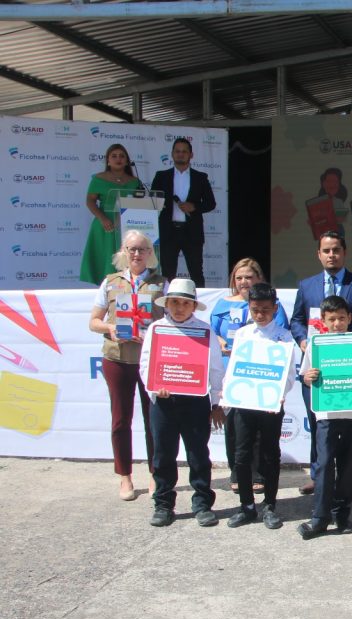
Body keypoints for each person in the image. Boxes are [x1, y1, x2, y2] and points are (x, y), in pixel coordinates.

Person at [291, 231, 352, 497]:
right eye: (326, 250)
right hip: (317, 366)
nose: (331, 255)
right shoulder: (306, 286)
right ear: (318, 254)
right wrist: (303, 342)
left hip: (349, 364)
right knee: (317, 419)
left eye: (336, 250)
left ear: (344, 252)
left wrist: (347, 334)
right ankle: (317, 474)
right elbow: (296, 321)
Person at [140, 278, 226, 527]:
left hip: (195, 401)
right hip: (164, 402)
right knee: (163, 455)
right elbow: (146, 365)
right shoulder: (156, 329)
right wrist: (155, 387)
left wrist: (215, 403)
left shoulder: (205, 330)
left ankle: (202, 503)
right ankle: (163, 504)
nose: (179, 308)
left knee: (198, 454)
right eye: (175, 302)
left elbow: (215, 369)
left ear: (193, 306)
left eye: (185, 303)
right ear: (166, 304)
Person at [88, 231, 167, 501]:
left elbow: (172, 320)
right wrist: (110, 327)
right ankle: (125, 476)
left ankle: (156, 473)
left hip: (148, 360)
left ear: (149, 253)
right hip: (117, 358)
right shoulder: (109, 283)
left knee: (154, 421)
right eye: (131, 249)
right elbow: (93, 321)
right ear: (124, 251)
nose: (136, 254)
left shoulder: (160, 283)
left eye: (142, 249)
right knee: (120, 420)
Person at [297, 296, 352, 539]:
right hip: (326, 413)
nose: (337, 323)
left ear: (350, 318)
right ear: (323, 321)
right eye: (332, 319)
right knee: (323, 464)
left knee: (349, 465)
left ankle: (342, 513)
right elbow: (305, 377)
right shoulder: (315, 345)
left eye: (342, 318)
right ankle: (320, 518)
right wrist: (309, 377)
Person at [209, 258, 288, 493]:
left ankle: (258, 476)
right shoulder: (222, 305)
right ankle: (238, 472)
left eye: (249, 277)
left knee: (259, 434)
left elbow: (279, 340)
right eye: (239, 277)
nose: (244, 281)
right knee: (234, 428)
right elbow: (210, 333)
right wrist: (220, 341)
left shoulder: (272, 308)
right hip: (231, 371)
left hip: (264, 375)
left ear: (259, 279)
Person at [225, 283, 299, 530]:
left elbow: (288, 374)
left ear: (275, 308)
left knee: (270, 455)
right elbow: (235, 369)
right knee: (242, 454)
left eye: (266, 309)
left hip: (270, 405)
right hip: (244, 405)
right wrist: (228, 394)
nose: (260, 314)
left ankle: (269, 505)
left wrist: (279, 394)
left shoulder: (284, 336)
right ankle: (246, 506)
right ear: (249, 307)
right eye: (255, 309)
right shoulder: (243, 334)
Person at [151, 138, 216, 286]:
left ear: (191, 155)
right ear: (172, 154)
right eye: (177, 151)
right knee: (167, 273)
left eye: (184, 151)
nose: (181, 154)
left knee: (196, 273)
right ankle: (167, 306)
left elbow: (210, 203)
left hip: (191, 232)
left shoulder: (200, 177)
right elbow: (152, 201)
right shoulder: (161, 176)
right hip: (168, 231)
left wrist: (193, 207)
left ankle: (200, 306)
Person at [80, 144, 140, 285]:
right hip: (105, 224)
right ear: (107, 160)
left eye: (121, 156)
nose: (118, 159)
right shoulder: (98, 179)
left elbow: (140, 202)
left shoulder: (135, 181)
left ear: (127, 161)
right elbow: (90, 201)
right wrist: (103, 218)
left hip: (128, 224)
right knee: (107, 257)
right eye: (114, 156)